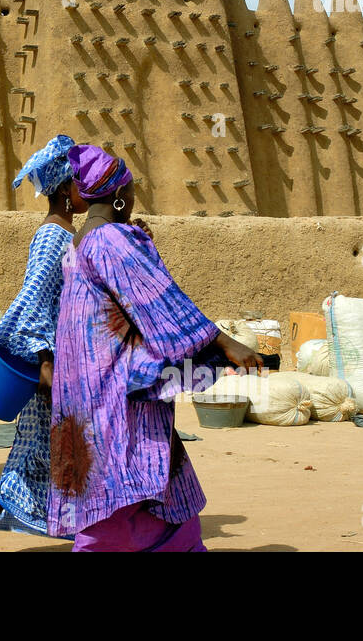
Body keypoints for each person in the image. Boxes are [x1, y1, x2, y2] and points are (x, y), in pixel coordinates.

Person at [48, 145, 261, 551]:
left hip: (93, 395)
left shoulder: (82, 242)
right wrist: (223, 341)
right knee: (124, 498)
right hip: (119, 396)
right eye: (131, 191)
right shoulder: (112, 240)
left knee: (157, 494)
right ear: (119, 195)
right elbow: (157, 300)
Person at [0, 134, 83, 552]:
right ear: (66, 188)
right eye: (81, 181)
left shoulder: (66, 232)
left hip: (59, 358)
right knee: (43, 447)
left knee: (43, 447)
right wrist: (43, 357)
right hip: (45, 362)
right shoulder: (53, 236)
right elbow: (34, 297)